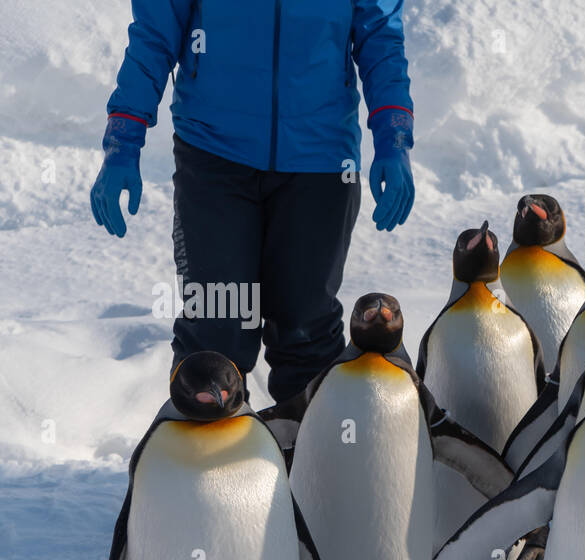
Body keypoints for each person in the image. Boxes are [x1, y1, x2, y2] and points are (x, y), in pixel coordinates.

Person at [90, 1, 415, 403]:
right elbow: (155, 33)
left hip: (321, 158)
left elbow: (379, 36)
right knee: (216, 325)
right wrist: (123, 140)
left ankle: (307, 457)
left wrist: (394, 139)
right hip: (214, 155)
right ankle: (205, 460)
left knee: (306, 330)